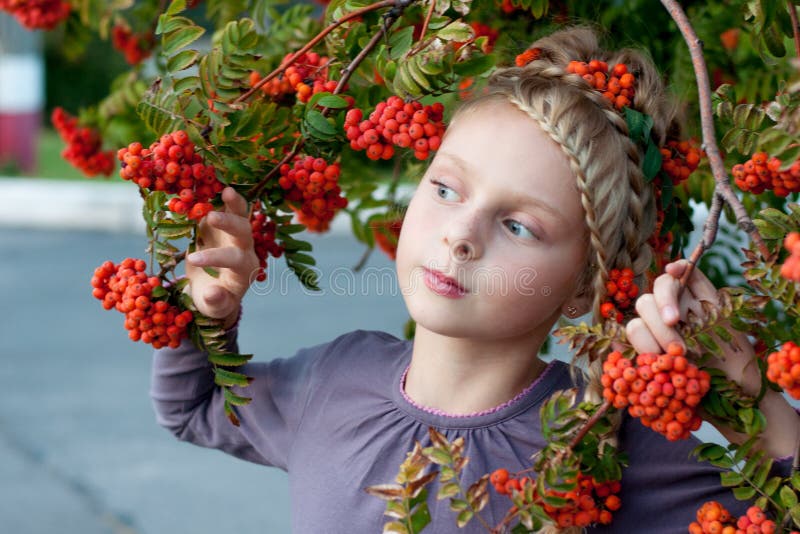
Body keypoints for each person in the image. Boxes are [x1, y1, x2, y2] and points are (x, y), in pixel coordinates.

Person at [149, 27, 799, 533]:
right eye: (446, 189)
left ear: (585, 286)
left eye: (519, 225)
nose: (462, 232)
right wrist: (210, 312)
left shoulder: (601, 444)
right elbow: (194, 407)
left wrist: (750, 400)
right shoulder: (335, 377)